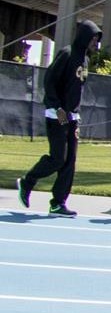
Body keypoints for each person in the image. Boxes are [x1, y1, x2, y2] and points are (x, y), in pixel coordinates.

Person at [17, 19, 95, 217]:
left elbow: (76, 88)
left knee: (70, 161)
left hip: (73, 116)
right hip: (58, 114)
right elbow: (49, 80)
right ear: (84, 36)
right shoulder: (67, 53)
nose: (95, 42)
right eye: (93, 38)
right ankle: (27, 181)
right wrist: (58, 107)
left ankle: (58, 202)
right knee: (58, 158)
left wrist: (75, 112)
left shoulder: (85, 59)